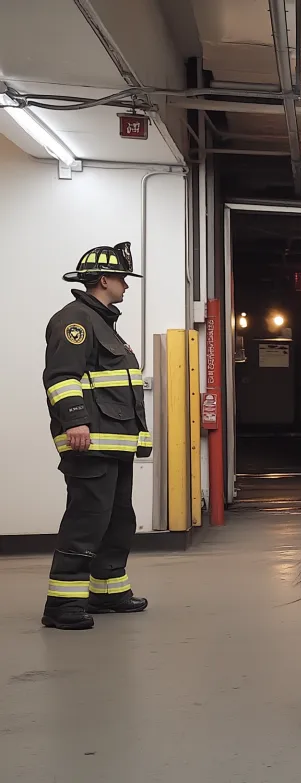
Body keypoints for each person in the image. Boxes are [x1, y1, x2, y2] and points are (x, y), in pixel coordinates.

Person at [41, 242, 153, 630]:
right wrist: (75, 421)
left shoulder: (104, 325)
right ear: (103, 280)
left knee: (118, 518)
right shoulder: (74, 320)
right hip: (89, 442)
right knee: (88, 518)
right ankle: (62, 604)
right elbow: (61, 376)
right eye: (122, 278)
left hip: (113, 443)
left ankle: (107, 590)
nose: (126, 286)